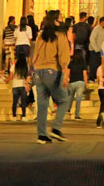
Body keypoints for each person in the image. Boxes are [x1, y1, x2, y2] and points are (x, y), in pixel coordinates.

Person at [30, 14, 72, 143]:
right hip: (52, 70)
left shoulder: (40, 36)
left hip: (38, 71)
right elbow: (63, 55)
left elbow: (34, 55)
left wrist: (31, 71)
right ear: (56, 21)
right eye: (60, 18)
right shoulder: (60, 35)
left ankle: (41, 135)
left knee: (42, 105)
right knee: (64, 100)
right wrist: (65, 73)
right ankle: (56, 128)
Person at [68, 48, 89, 120]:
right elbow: (85, 74)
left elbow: (67, 73)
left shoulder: (71, 63)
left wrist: (66, 81)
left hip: (72, 82)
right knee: (78, 99)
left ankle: (68, 110)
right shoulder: (83, 63)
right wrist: (86, 84)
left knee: (70, 97)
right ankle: (77, 115)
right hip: (80, 82)